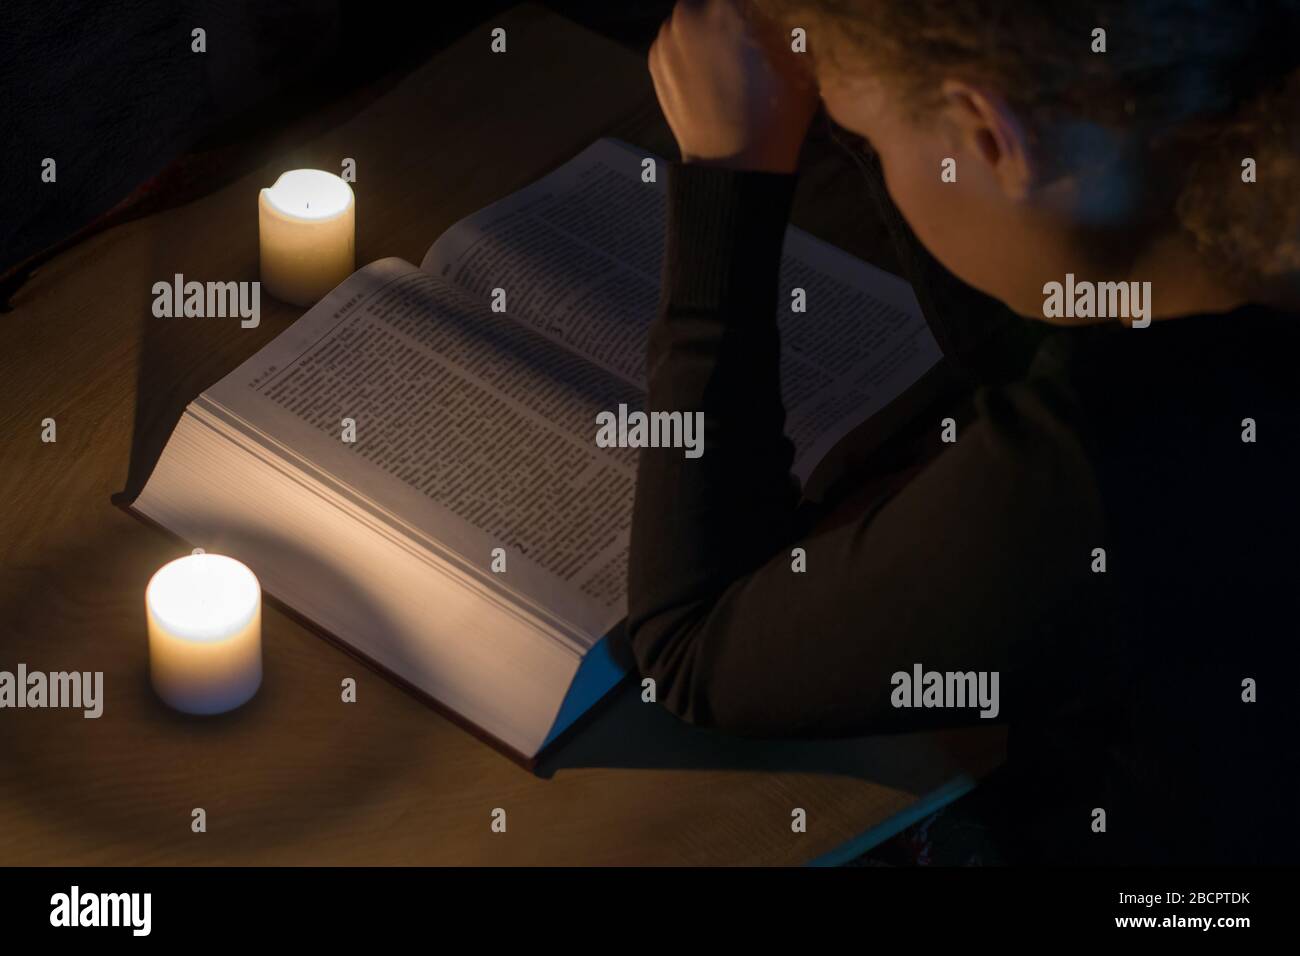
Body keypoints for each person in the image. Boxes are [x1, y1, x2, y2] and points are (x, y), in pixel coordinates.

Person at [627, 0, 1300, 864]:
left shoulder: (1107, 463)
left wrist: (731, 178)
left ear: (989, 131)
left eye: (865, 136)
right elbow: (1042, 315)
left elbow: (691, 640)